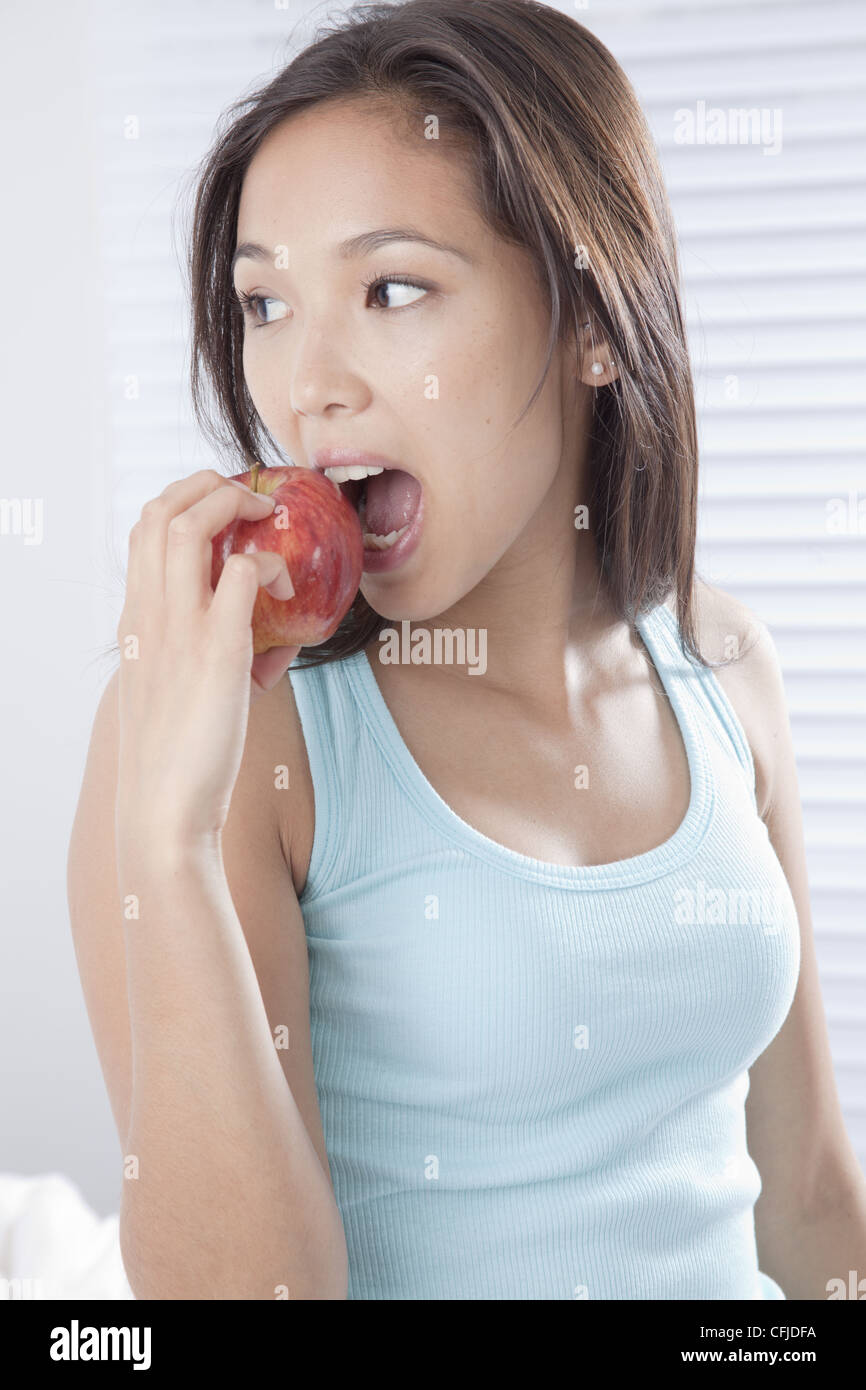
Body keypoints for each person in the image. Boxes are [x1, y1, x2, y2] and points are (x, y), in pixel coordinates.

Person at [67, 0, 866, 1300]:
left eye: (390, 288)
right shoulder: (229, 734)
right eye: (263, 301)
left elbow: (811, 1196)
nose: (302, 382)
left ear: (592, 323)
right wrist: (165, 837)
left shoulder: (721, 663)